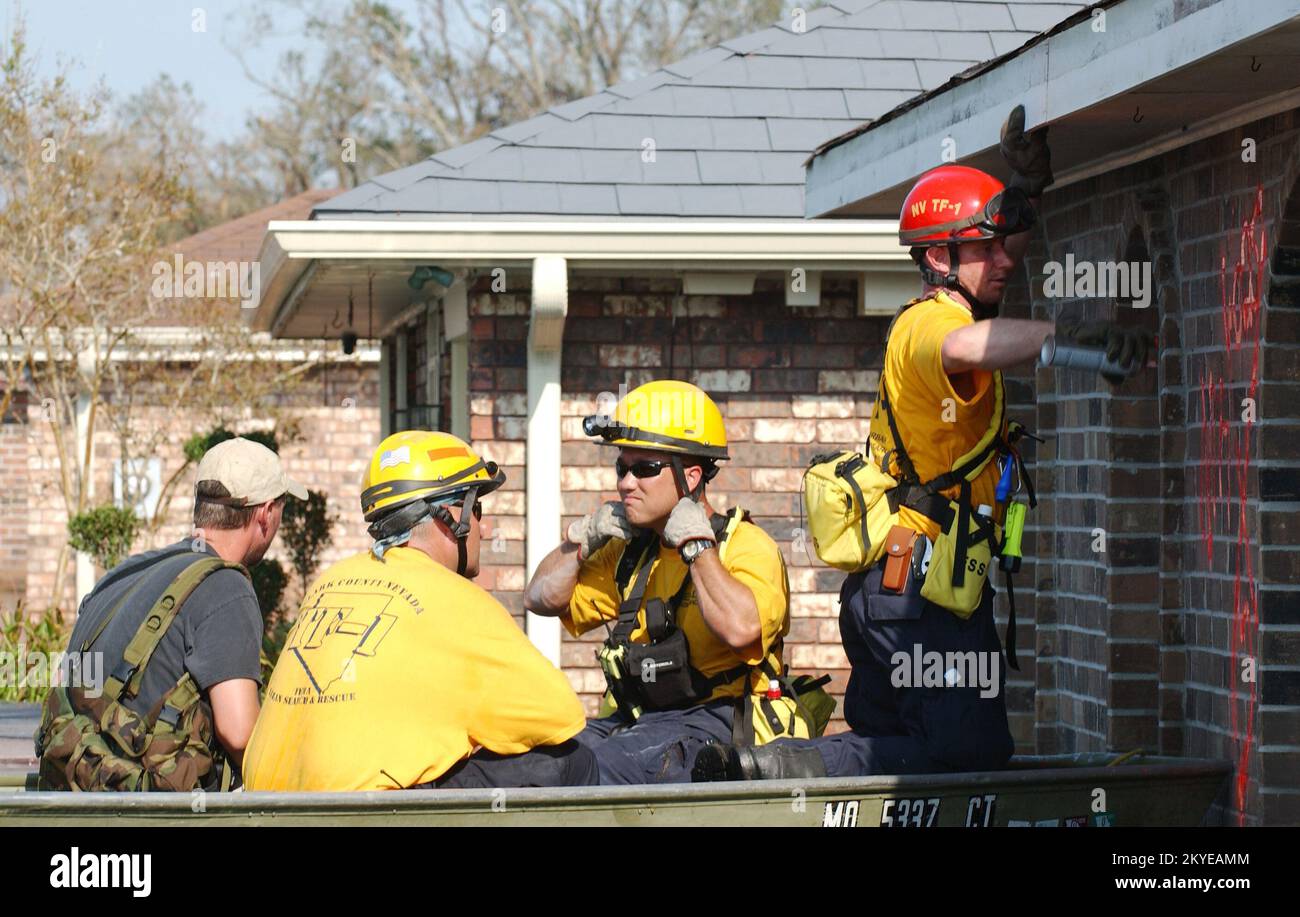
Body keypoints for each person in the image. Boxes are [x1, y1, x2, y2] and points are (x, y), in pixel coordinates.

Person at [694, 107, 1155, 782]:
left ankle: (779, 769)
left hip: (900, 586)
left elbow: (999, 262)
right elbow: (968, 345)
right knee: (963, 755)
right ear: (939, 257)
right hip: (918, 596)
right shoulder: (930, 324)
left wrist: (1023, 191)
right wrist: (1069, 342)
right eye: (985, 248)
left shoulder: (963, 296)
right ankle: (769, 768)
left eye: (1003, 244)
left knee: (897, 747)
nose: (1005, 260)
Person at [243, 430, 597, 791]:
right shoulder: (455, 597)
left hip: (270, 802)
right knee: (571, 761)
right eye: (476, 509)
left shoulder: (330, 580)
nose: (484, 527)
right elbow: (562, 714)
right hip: (361, 815)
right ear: (448, 515)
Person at [524, 380, 792, 784]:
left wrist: (699, 548)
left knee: (587, 772)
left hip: (718, 725)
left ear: (692, 476)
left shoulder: (745, 546)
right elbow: (539, 597)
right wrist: (580, 541)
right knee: (534, 761)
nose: (626, 482)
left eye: (645, 468)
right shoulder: (632, 552)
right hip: (638, 722)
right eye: (622, 467)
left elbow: (741, 629)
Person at [36, 436, 304, 791]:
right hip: (157, 813)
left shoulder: (125, 573)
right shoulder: (227, 586)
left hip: (77, 799)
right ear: (266, 514)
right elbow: (240, 735)